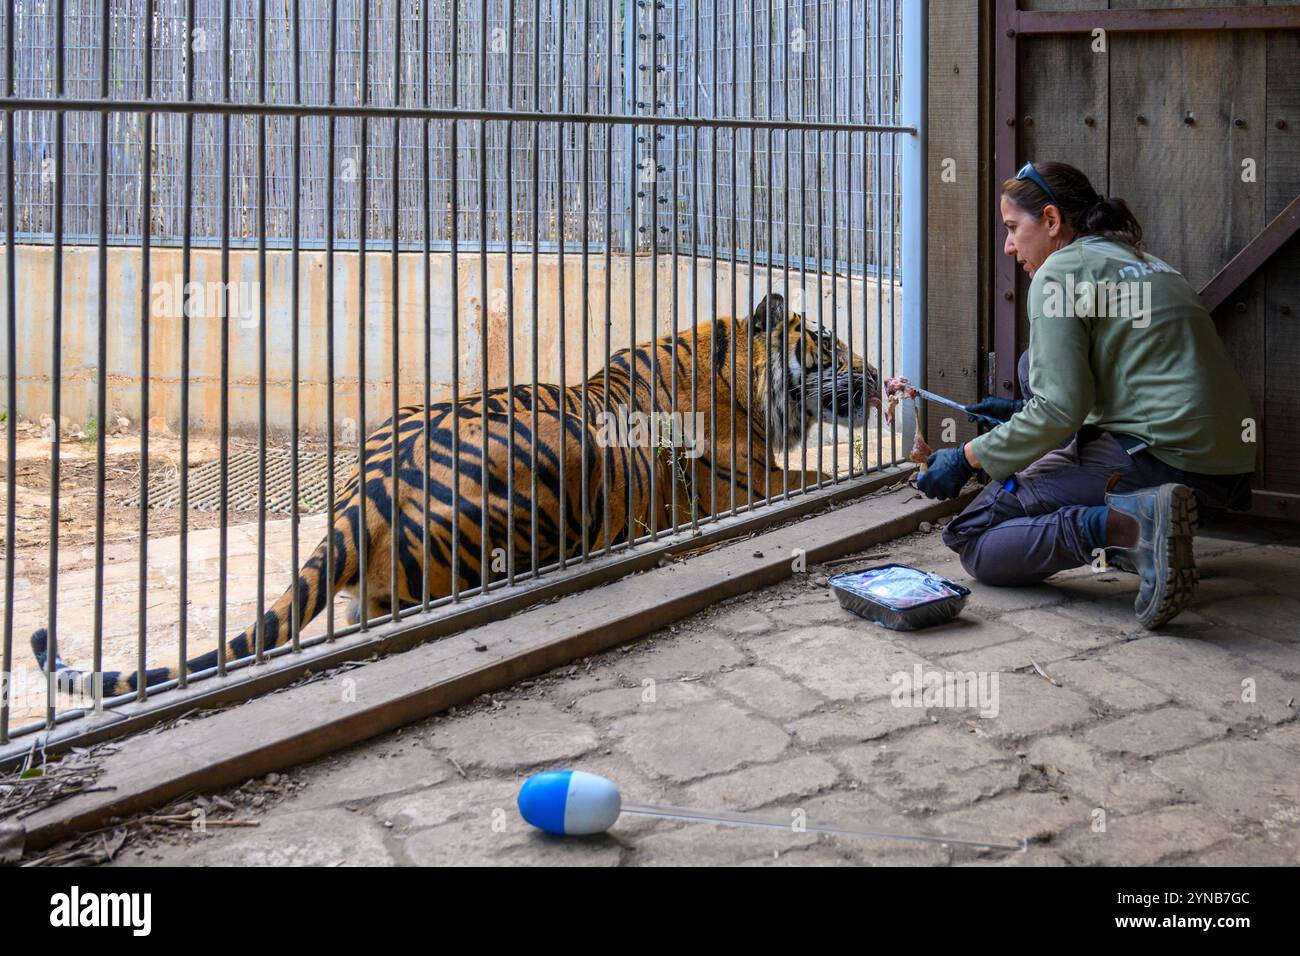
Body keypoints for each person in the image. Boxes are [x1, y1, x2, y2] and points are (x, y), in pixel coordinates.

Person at [916, 161, 1255, 628]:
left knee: (976, 543)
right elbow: (1127, 374)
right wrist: (1018, 412)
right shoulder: (1147, 262)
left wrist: (967, 458)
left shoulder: (1059, 272)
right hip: (1224, 469)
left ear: (1052, 221)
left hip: (1158, 456)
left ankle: (1128, 527)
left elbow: (1059, 408)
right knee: (1030, 367)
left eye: (1013, 228)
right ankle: (1142, 538)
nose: (1010, 245)